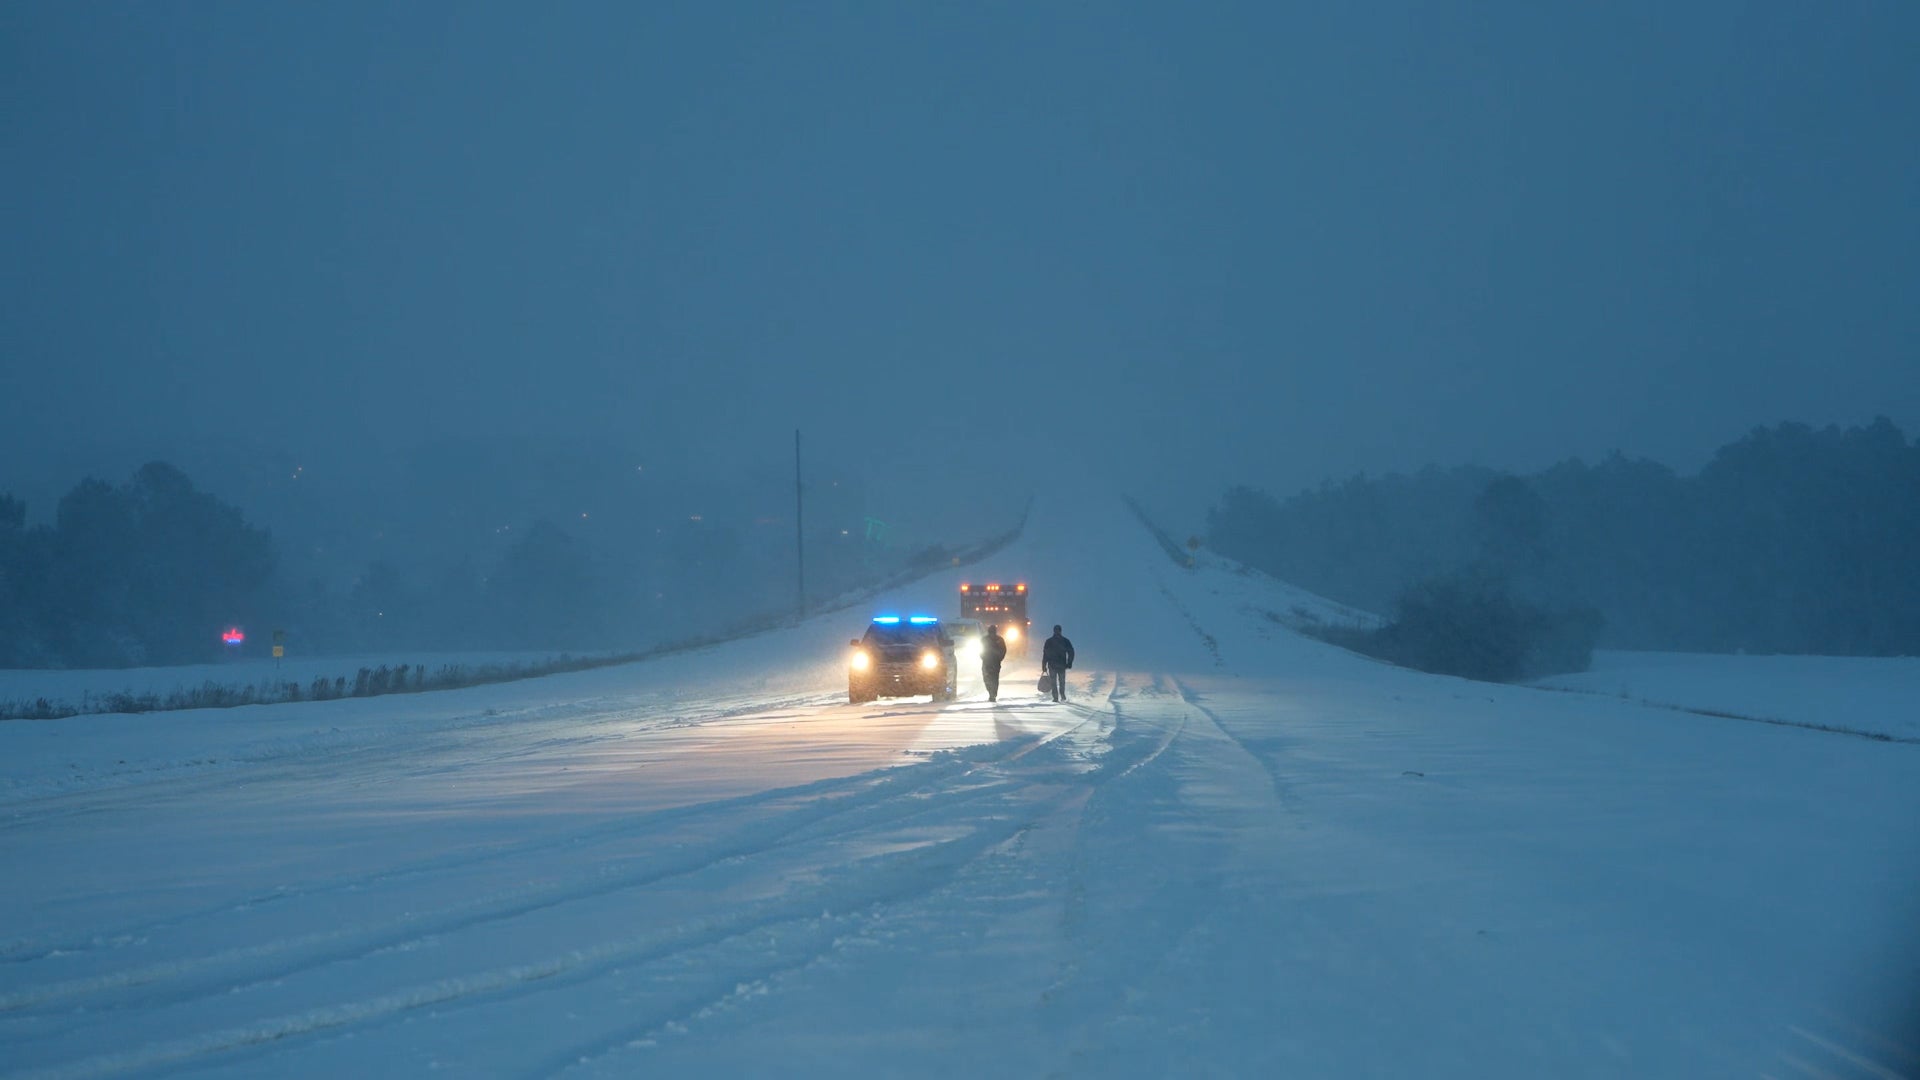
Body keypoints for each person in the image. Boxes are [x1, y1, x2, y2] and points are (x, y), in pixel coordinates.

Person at [1041, 624, 1074, 702]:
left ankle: (1055, 697)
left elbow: (1045, 654)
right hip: (1062, 665)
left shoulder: (1049, 641)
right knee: (1062, 681)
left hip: (1052, 665)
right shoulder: (1065, 641)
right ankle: (1062, 695)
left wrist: (1044, 665)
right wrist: (1069, 662)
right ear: (1060, 631)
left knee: (1053, 682)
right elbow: (1071, 652)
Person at [980, 623, 1008, 702]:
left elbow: (1003, 650)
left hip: (995, 662)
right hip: (987, 662)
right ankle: (991, 692)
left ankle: (993, 694)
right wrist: (983, 657)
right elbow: (980, 650)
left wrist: (999, 658)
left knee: (994, 678)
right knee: (987, 678)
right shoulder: (984, 640)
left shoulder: (999, 640)